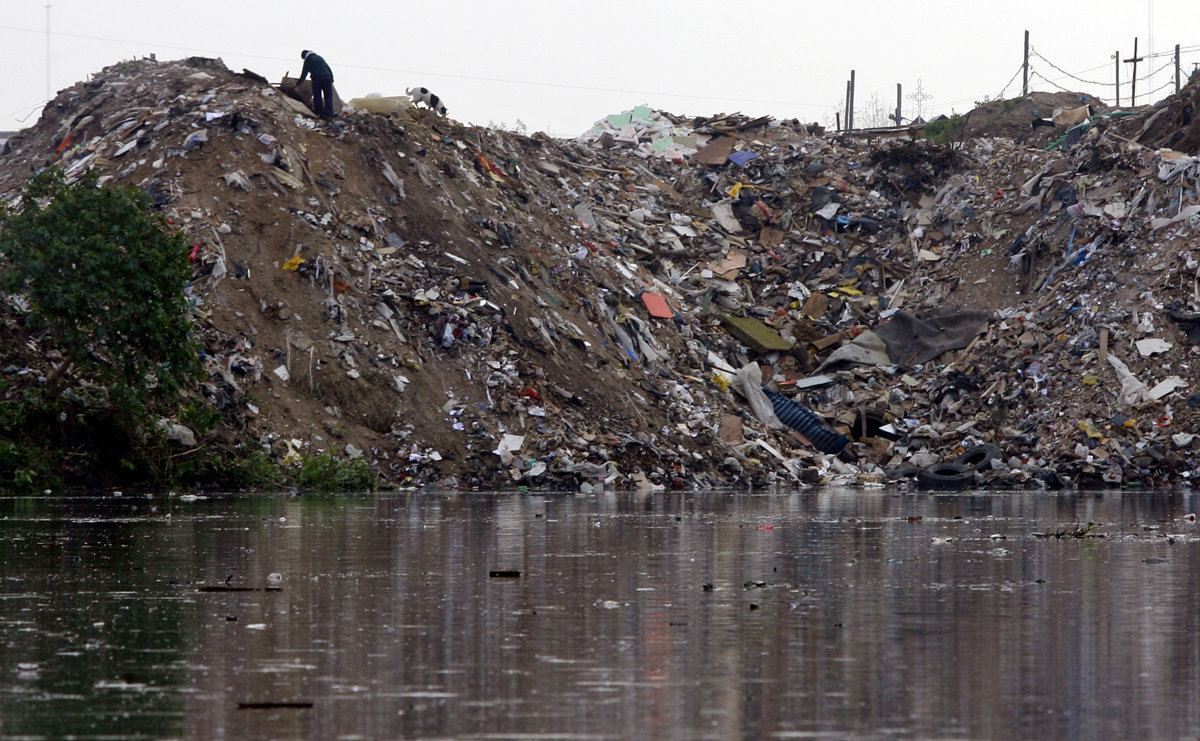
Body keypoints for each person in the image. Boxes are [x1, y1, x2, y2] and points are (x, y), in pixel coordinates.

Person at [297, 50, 335, 120]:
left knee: (317, 96)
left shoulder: (308, 60)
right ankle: (330, 114)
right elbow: (328, 68)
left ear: (304, 56)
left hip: (317, 79)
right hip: (327, 77)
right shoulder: (319, 57)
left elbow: (304, 73)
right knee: (328, 97)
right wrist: (332, 78)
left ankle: (320, 113)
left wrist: (297, 83)